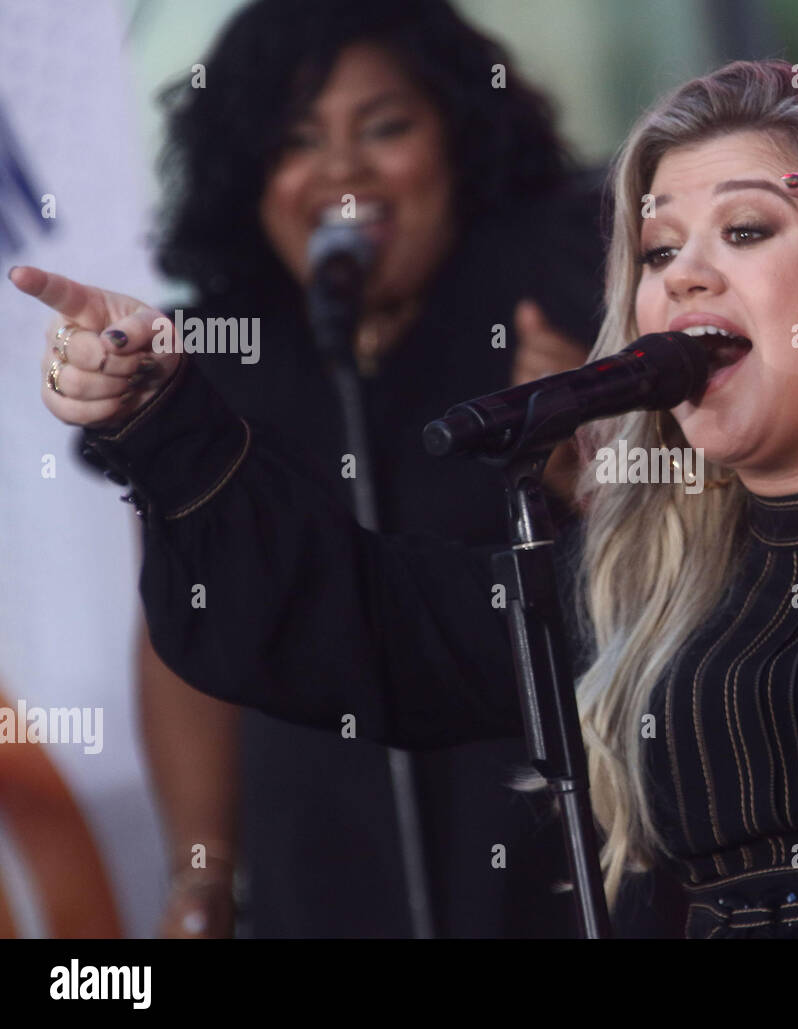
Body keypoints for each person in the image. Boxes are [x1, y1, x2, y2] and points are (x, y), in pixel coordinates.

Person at [15, 58, 798, 938]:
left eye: (745, 229)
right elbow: (345, 623)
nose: (684, 273)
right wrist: (162, 421)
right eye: (657, 253)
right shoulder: (631, 588)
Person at [106, 0, 621, 939]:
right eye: (297, 140)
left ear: (458, 139)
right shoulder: (214, 359)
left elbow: (700, 564)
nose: (342, 169)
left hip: (552, 838)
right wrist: (202, 878)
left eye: (385, 128)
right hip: (319, 849)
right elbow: (183, 635)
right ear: (252, 176)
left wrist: (589, 464)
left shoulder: (565, 295)